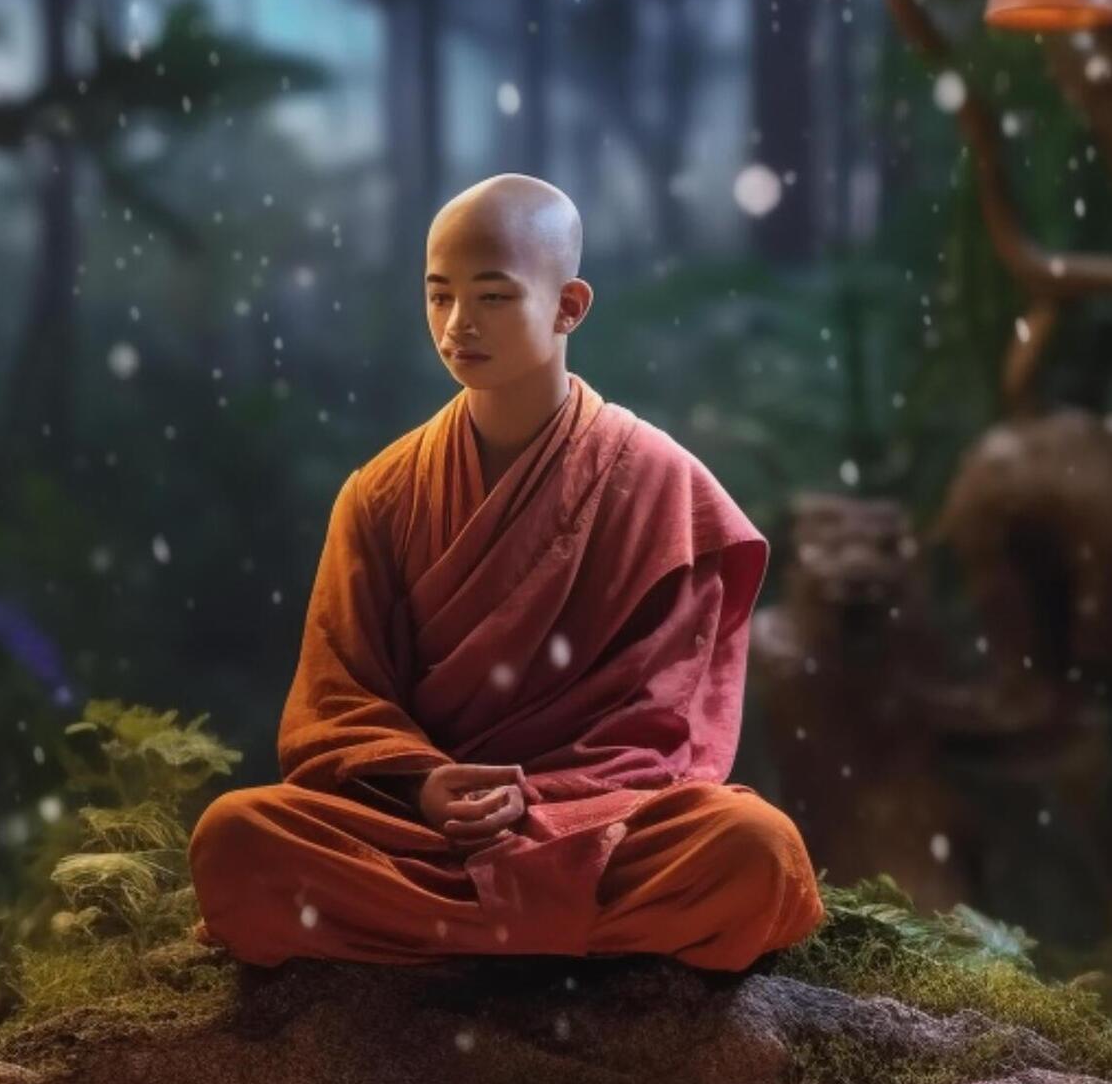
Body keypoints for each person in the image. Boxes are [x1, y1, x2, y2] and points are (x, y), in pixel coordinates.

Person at [189, 175, 822, 971]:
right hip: (427, 834)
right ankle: (560, 939)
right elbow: (336, 701)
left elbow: (671, 719)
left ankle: (438, 939)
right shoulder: (381, 493)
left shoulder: (661, 484)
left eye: (492, 297)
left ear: (569, 306)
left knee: (754, 850)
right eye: (439, 295)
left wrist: (543, 801)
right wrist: (423, 783)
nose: (458, 325)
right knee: (237, 839)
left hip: (598, 819)